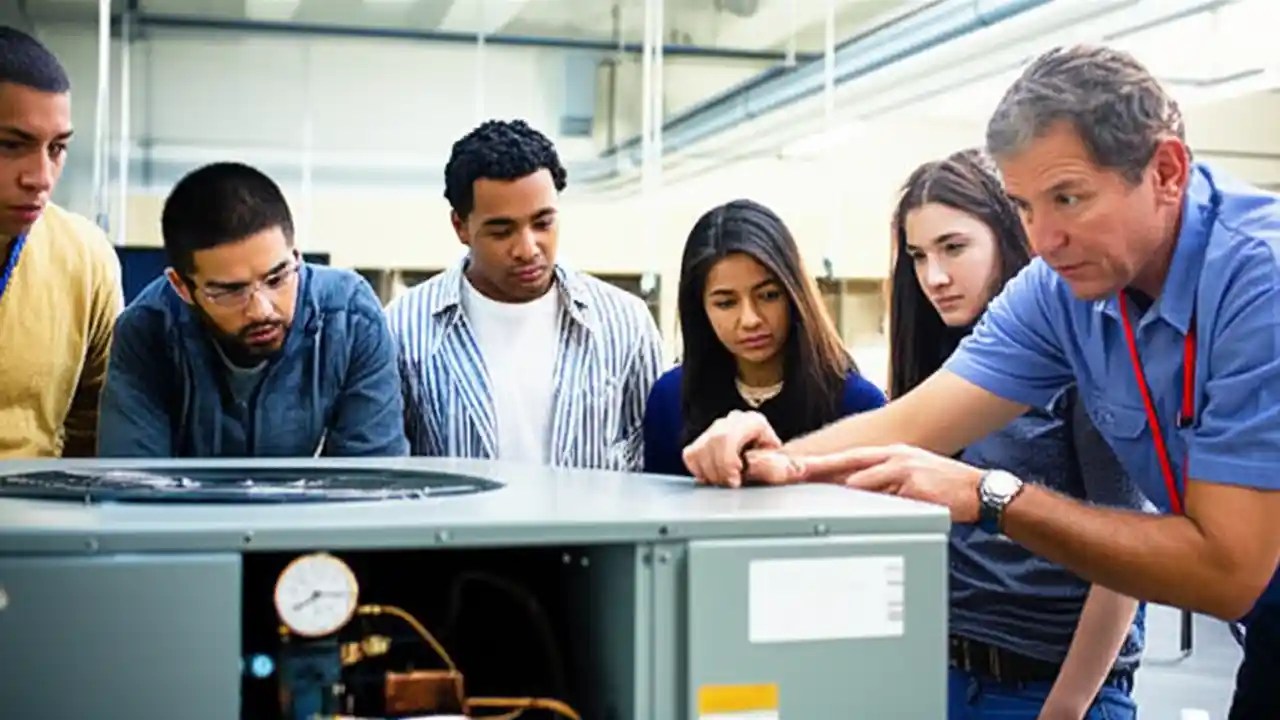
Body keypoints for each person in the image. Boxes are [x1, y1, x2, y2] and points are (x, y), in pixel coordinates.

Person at [681, 45, 1280, 719]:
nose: (1044, 238)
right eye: (1025, 206)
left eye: (1068, 198)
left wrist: (992, 496)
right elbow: (913, 424)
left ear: (1166, 171)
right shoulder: (1065, 291)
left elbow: (1228, 572)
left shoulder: (1259, 281)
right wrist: (775, 461)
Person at [892, 149, 1144, 719]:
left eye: (953, 248)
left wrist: (1065, 708)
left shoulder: (1084, 358)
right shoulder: (940, 366)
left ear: (1008, 235)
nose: (934, 276)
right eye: (918, 256)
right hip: (948, 678)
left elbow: (1129, 556)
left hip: (1055, 688)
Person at [387, 119, 663, 469]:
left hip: (592, 525)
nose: (527, 248)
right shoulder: (404, 329)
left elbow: (656, 457)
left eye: (543, 223)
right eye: (502, 231)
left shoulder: (625, 322)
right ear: (461, 226)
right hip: (458, 526)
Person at [97, 162, 407, 457]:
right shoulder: (146, 331)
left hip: (314, 512)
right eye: (230, 290)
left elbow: (373, 481)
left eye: (277, 278)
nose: (261, 309)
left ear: (295, 254)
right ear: (182, 287)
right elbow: (132, 489)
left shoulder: (350, 317)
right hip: (186, 513)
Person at [643, 199, 884, 476]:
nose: (750, 319)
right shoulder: (669, 399)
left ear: (794, 294)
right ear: (700, 308)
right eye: (726, 303)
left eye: (768, 296)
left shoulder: (858, 403)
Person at [0, 27, 123, 458]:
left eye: (57, 148)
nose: (41, 177)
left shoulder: (85, 256)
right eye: (11, 145)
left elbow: (97, 427)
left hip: (35, 516)